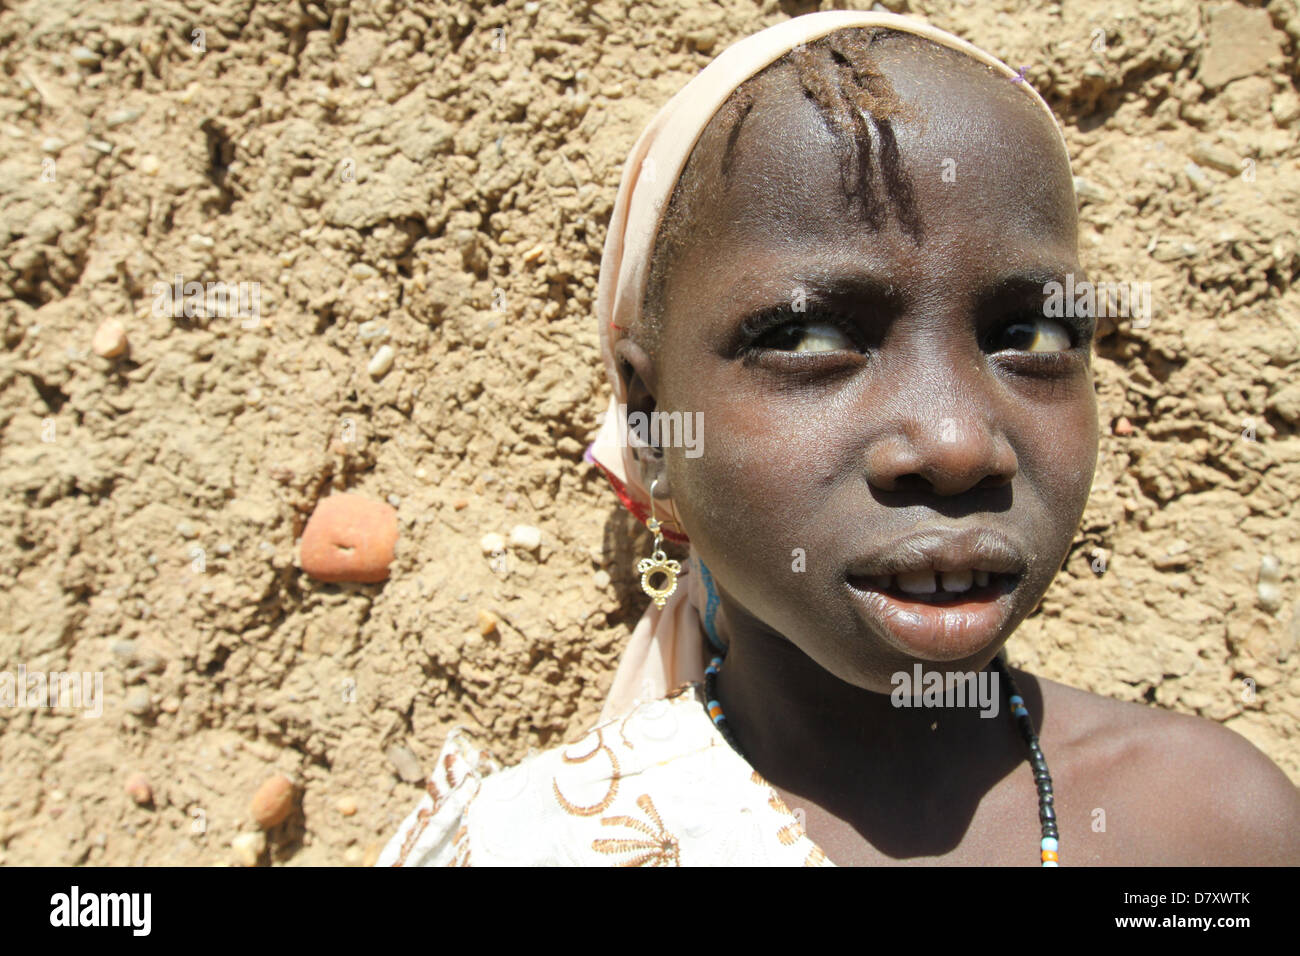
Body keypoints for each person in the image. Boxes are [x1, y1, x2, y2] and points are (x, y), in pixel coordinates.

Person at [377, 10, 1300, 866]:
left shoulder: (1208, 832)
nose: (955, 443)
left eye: (1030, 336)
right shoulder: (527, 847)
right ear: (651, 418)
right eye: (809, 337)